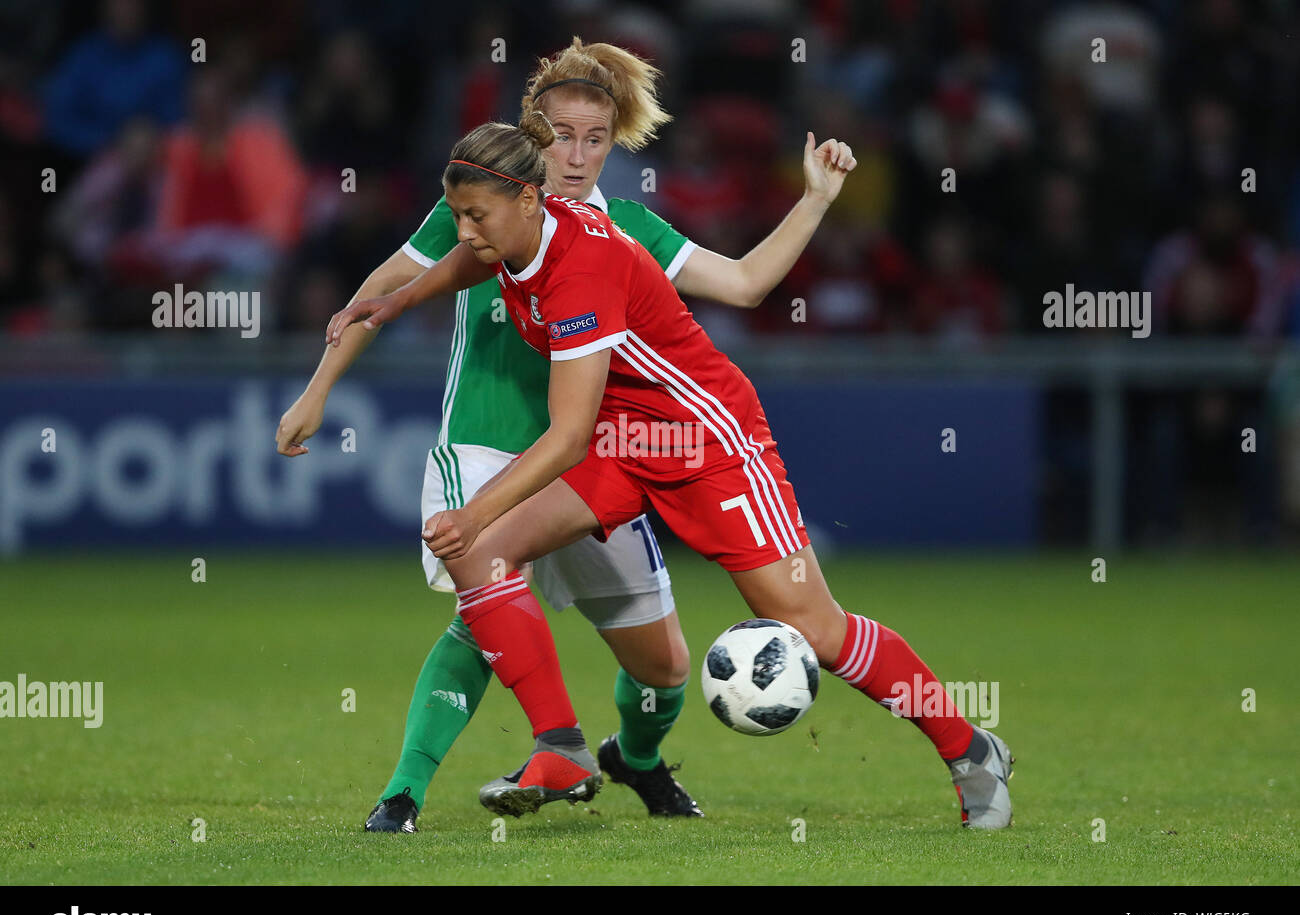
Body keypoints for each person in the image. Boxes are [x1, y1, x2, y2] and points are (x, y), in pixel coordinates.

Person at [324, 113, 1016, 829]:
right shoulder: (529, 225)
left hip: (707, 441)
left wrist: (473, 509)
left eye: (474, 215)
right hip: (623, 441)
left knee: (813, 627)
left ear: (527, 202)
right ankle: (560, 745)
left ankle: (971, 751)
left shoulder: (581, 272)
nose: (463, 231)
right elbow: (480, 258)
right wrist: (399, 299)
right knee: (482, 556)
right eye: (458, 215)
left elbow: (564, 437)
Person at [276, 38, 860, 831]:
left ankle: (639, 762)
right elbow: (384, 289)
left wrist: (816, 197)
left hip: (589, 457)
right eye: (561, 137)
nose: (577, 157)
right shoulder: (481, 198)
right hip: (486, 444)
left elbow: (748, 283)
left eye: (597, 140)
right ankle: (407, 793)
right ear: (532, 132)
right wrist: (319, 388)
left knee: (664, 667)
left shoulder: (625, 231)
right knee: (480, 606)